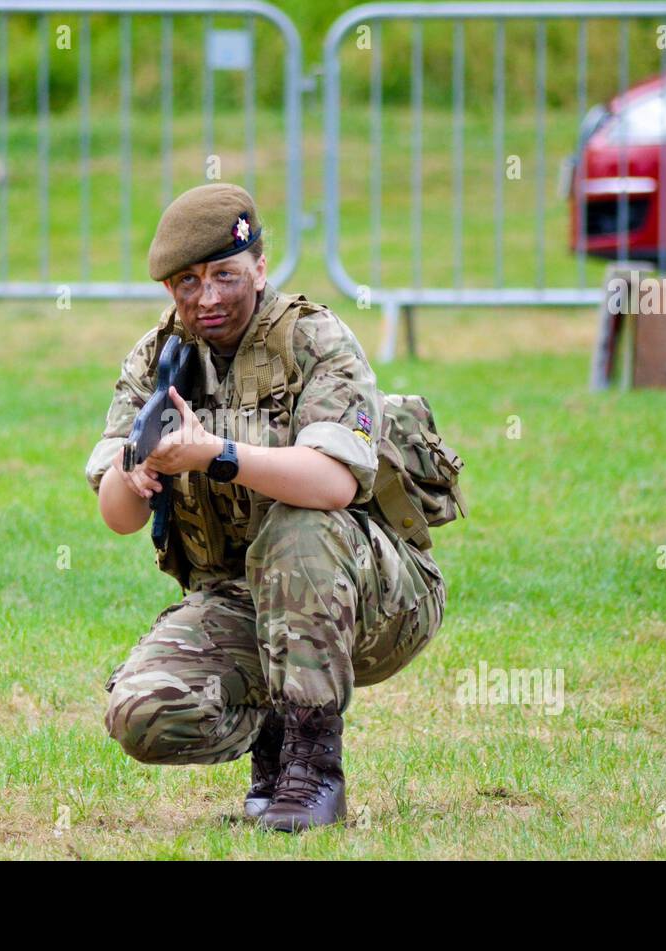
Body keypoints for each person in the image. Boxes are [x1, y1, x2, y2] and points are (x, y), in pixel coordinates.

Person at [85, 183, 445, 832]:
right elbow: (119, 515)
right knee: (140, 712)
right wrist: (134, 467)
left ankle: (313, 772)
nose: (209, 297)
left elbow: (332, 483)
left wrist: (214, 452)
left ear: (259, 264)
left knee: (297, 521)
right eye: (187, 282)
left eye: (225, 274)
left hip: (377, 597)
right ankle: (270, 737)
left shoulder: (314, 340)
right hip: (244, 599)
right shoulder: (159, 358)